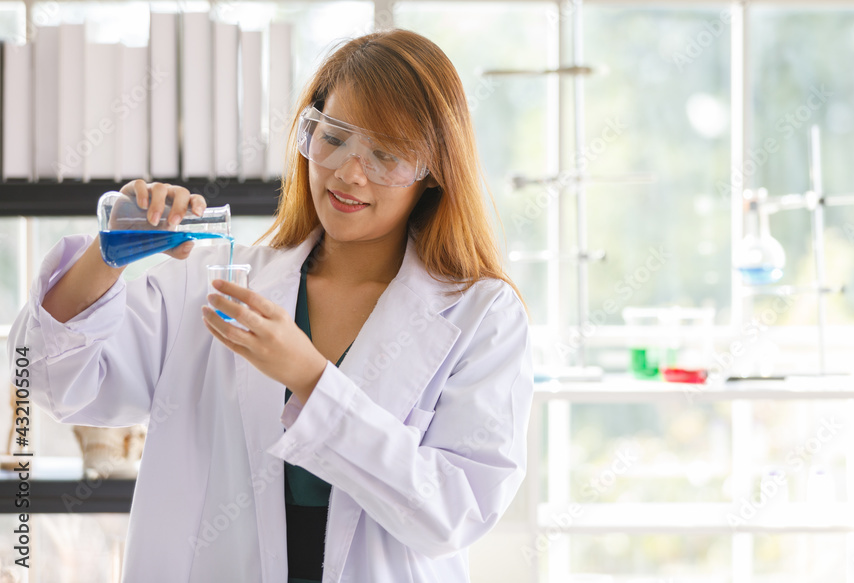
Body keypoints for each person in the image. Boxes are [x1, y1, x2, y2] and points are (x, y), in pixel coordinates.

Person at [9, 29, 533, 583]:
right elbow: (49, 378)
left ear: (432, 171)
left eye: (385, 154)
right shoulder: (214, 282)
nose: (349, 172)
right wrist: (107, 254)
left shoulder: (480, 315)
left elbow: (456, 513)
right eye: (333, 137)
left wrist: (308, 377)